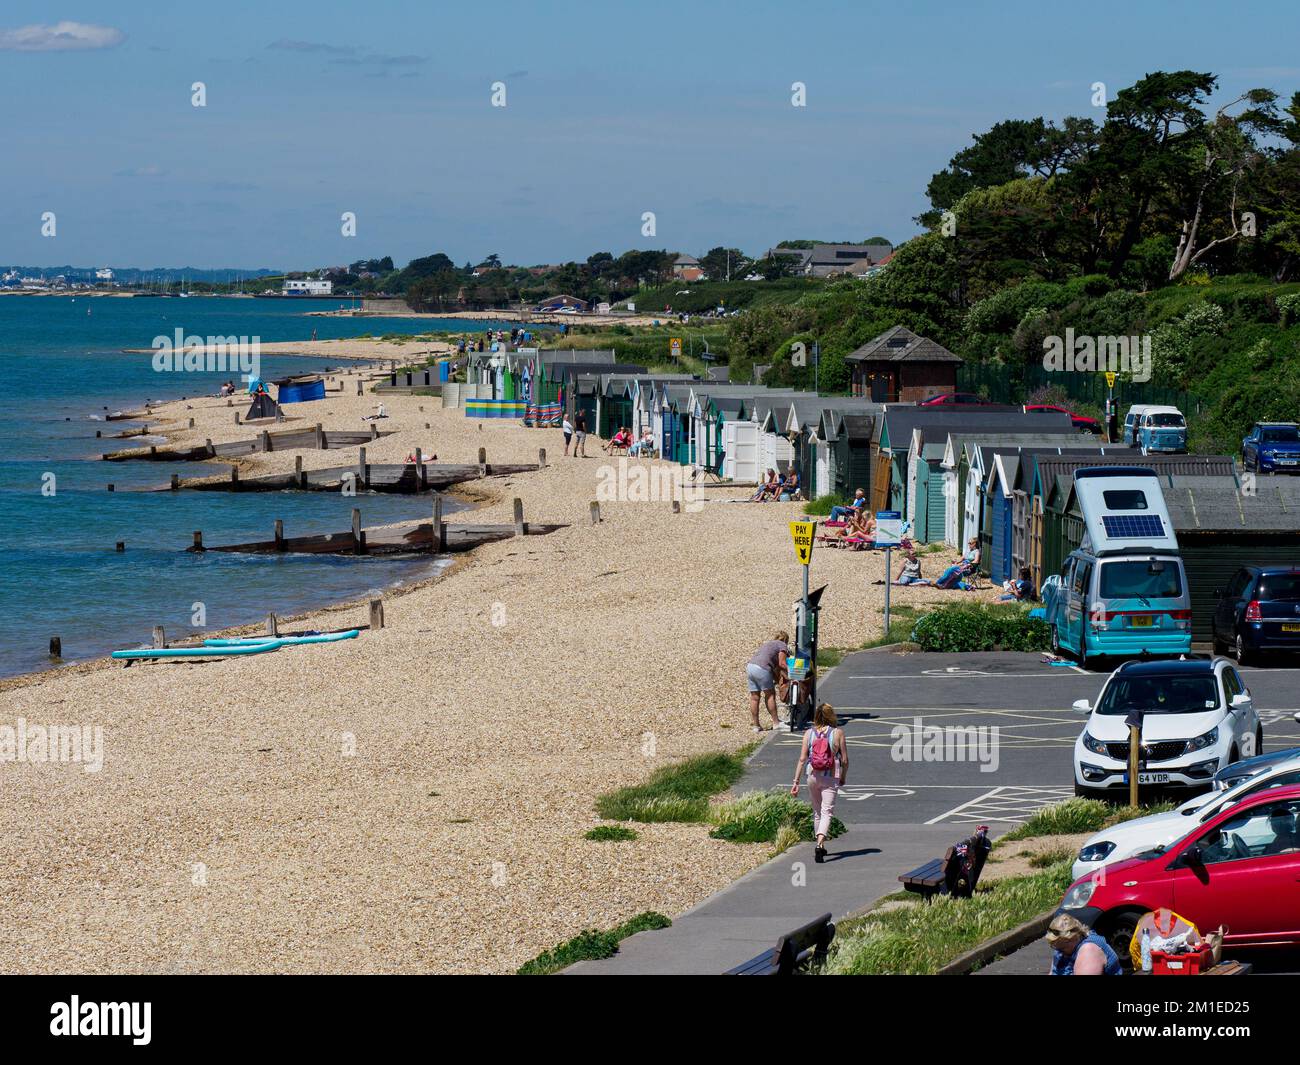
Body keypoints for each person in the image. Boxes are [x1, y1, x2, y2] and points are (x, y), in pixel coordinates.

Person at [790, 703, 847, 863]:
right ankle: (820, 844)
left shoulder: (809, 733)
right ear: (832, 716)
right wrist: (843, 776)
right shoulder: (838, 733)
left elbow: (802, 759)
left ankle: (819, 845)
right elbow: (845, 760)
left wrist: (795, 782)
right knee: (827, 811)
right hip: (830, 775)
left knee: (817, 812)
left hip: (812, 774)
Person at [1046, 913, 1123, 975]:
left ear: (1071, 939)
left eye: (1062, 949)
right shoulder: (1062, 946)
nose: (1059, 953)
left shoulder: (1089, 951)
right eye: (1056, 948)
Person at [746, 631, 790, 733]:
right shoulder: (782, 645)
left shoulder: (768, 644)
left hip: (750, 667)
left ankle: (756, 726)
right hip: (762, 668)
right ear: (785, 640)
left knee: (754, 697)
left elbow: (773, 670)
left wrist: (777, 681)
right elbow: (782, 663)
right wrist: (791, 672)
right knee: (770, 695)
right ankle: (776, 723)